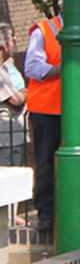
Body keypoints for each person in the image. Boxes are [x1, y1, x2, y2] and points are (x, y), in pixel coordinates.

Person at [24, 13, 80, 230]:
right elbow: (32, 68)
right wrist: (67, 68)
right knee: (46, 160)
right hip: (48, 107)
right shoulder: (44, 30)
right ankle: (47, 215)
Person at [0, 23, 28, 167]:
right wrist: (24, 92)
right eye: (12, 40)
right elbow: (16, 100)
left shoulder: (5, 67)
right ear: (5, 45)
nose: (14, 43)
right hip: (6, 138)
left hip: (11, 136)